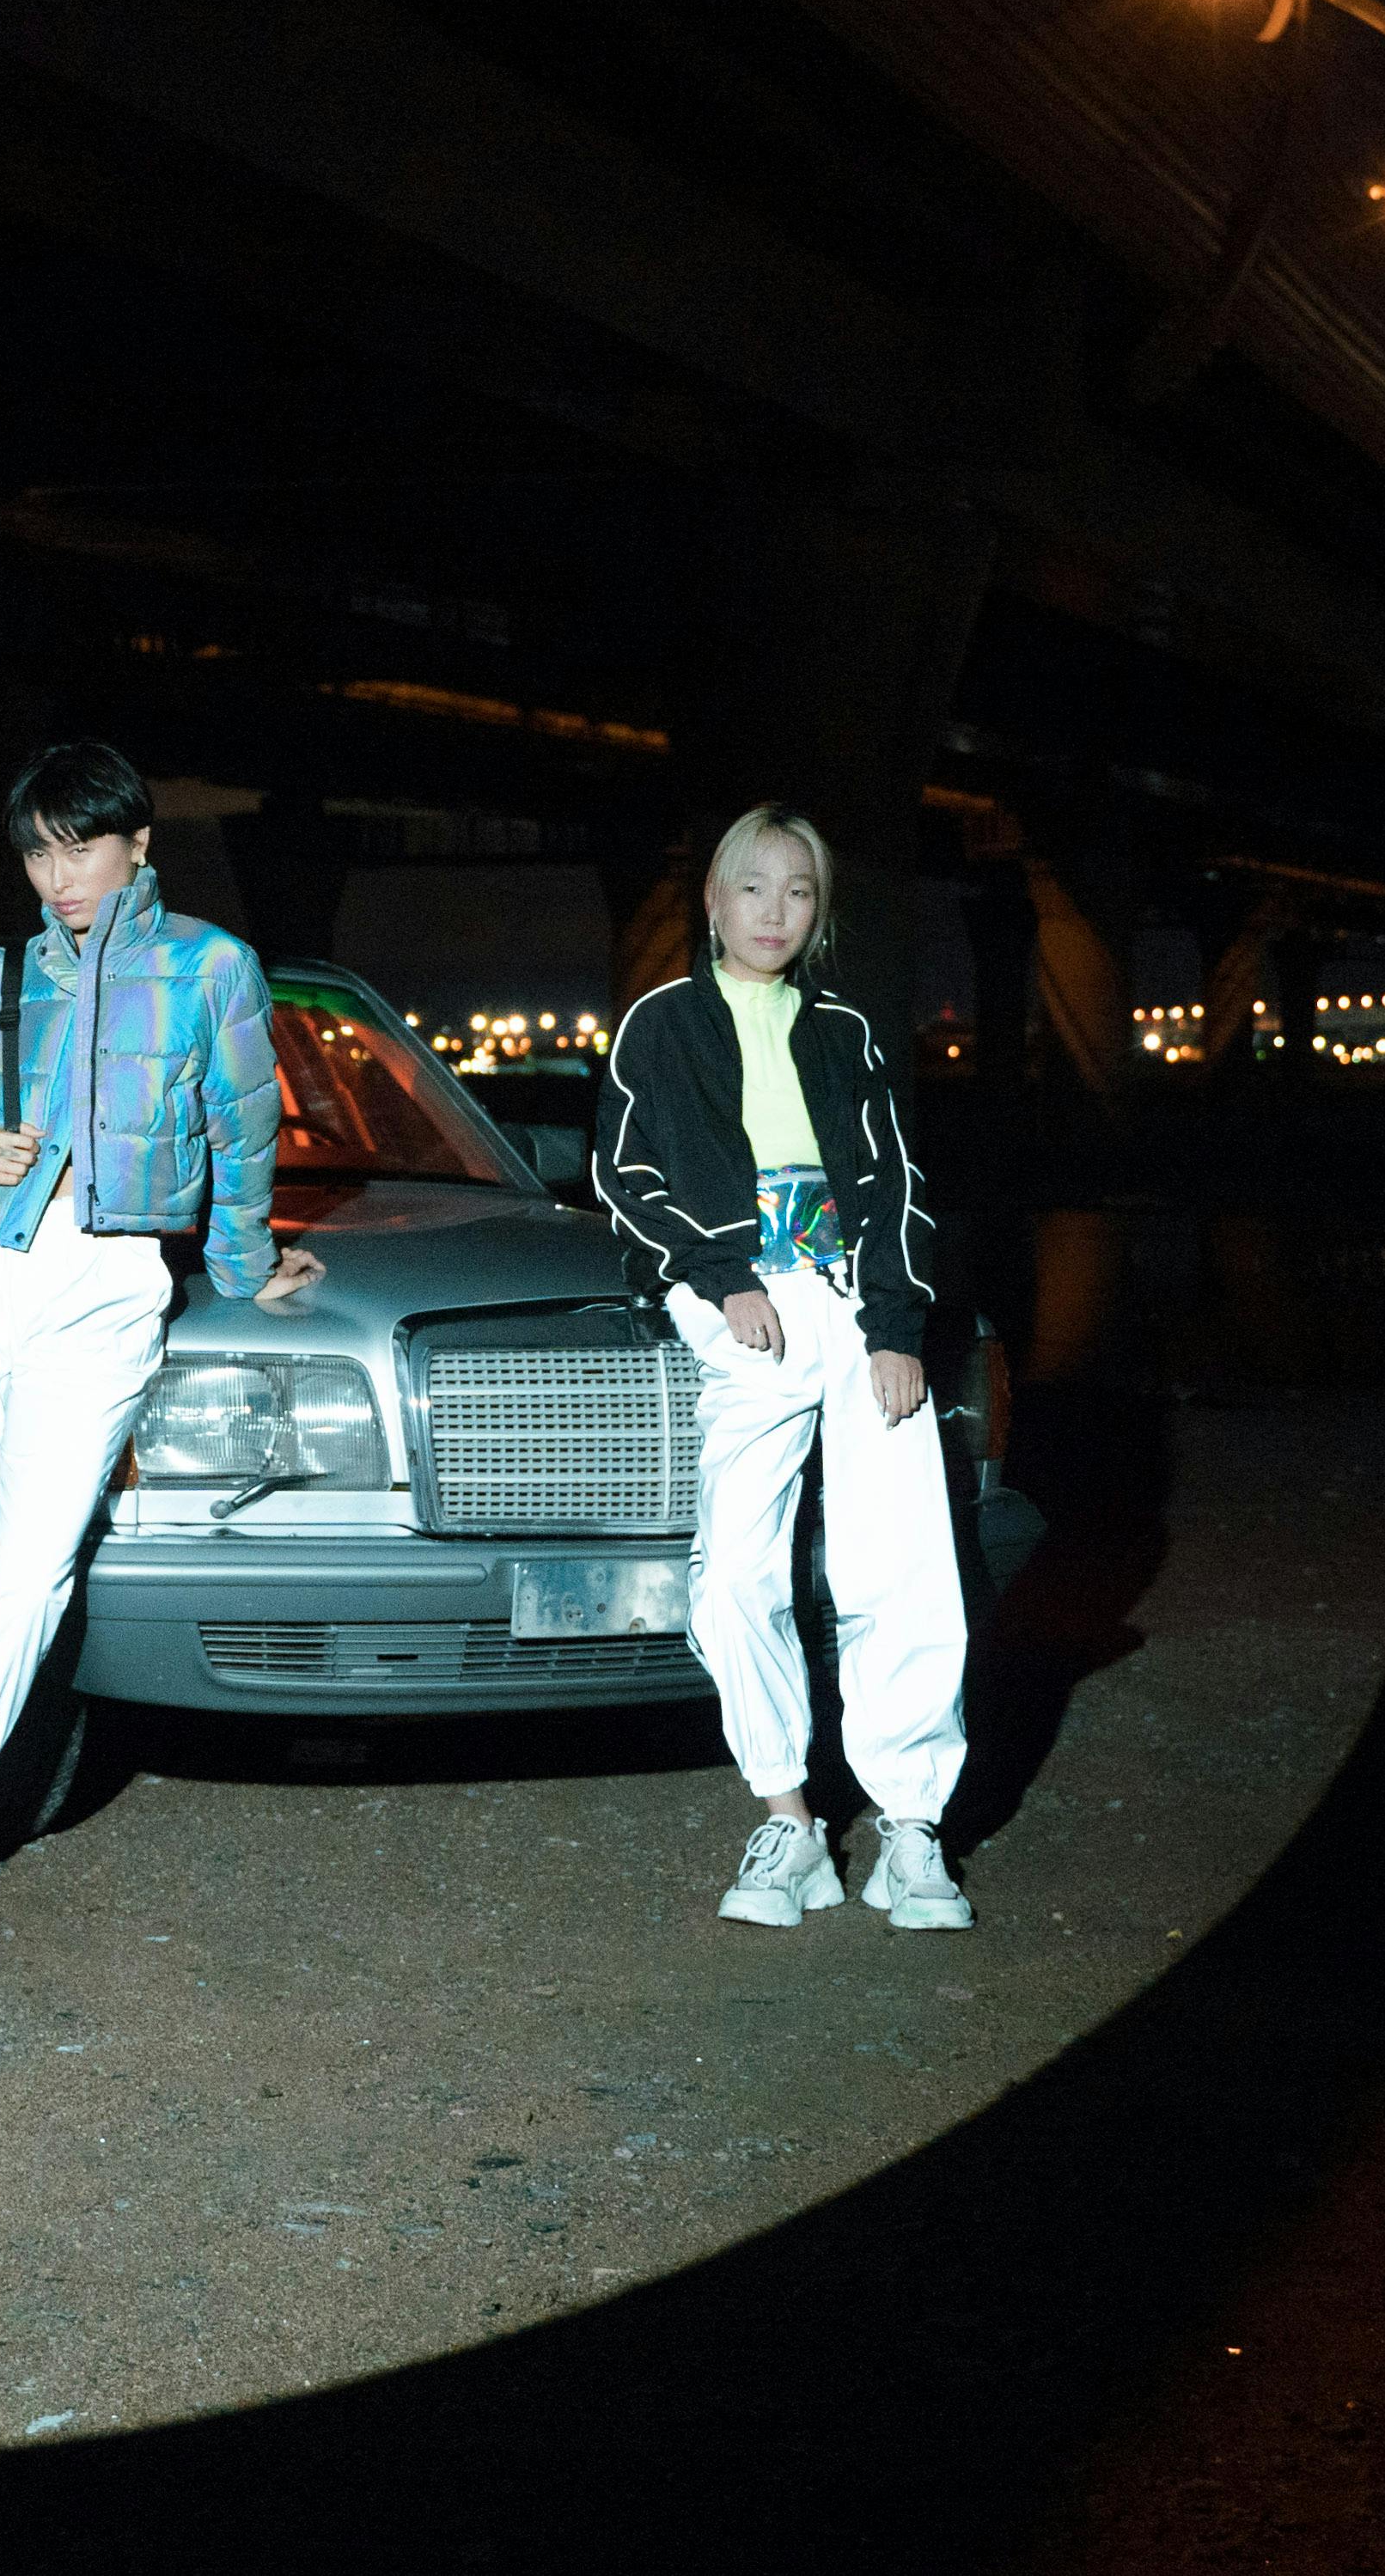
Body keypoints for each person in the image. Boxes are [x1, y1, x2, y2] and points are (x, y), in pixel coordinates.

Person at [0, 741, 322, 1950]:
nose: (58, 873)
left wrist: (248, 1268)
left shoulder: (213, 968)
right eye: (38, 850)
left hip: (109, 1284)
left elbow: (243, 1135)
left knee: (32, 1558)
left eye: (78, 843)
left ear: (137, 841)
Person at [593, 802, 976, 1930]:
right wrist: (721, 1277)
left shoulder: (845, 1027)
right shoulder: (657, 1025)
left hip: (858, 1304)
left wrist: (897, 1325)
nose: (773, 911)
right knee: (729, 1579)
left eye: (797, 890)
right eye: (750, 887)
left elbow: (895, 1182)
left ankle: (911, 1830)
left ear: (819, 912)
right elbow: (623, 1174)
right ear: (710, 901)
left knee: (899, 1560)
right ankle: (790, 1821)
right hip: (741, 1304)